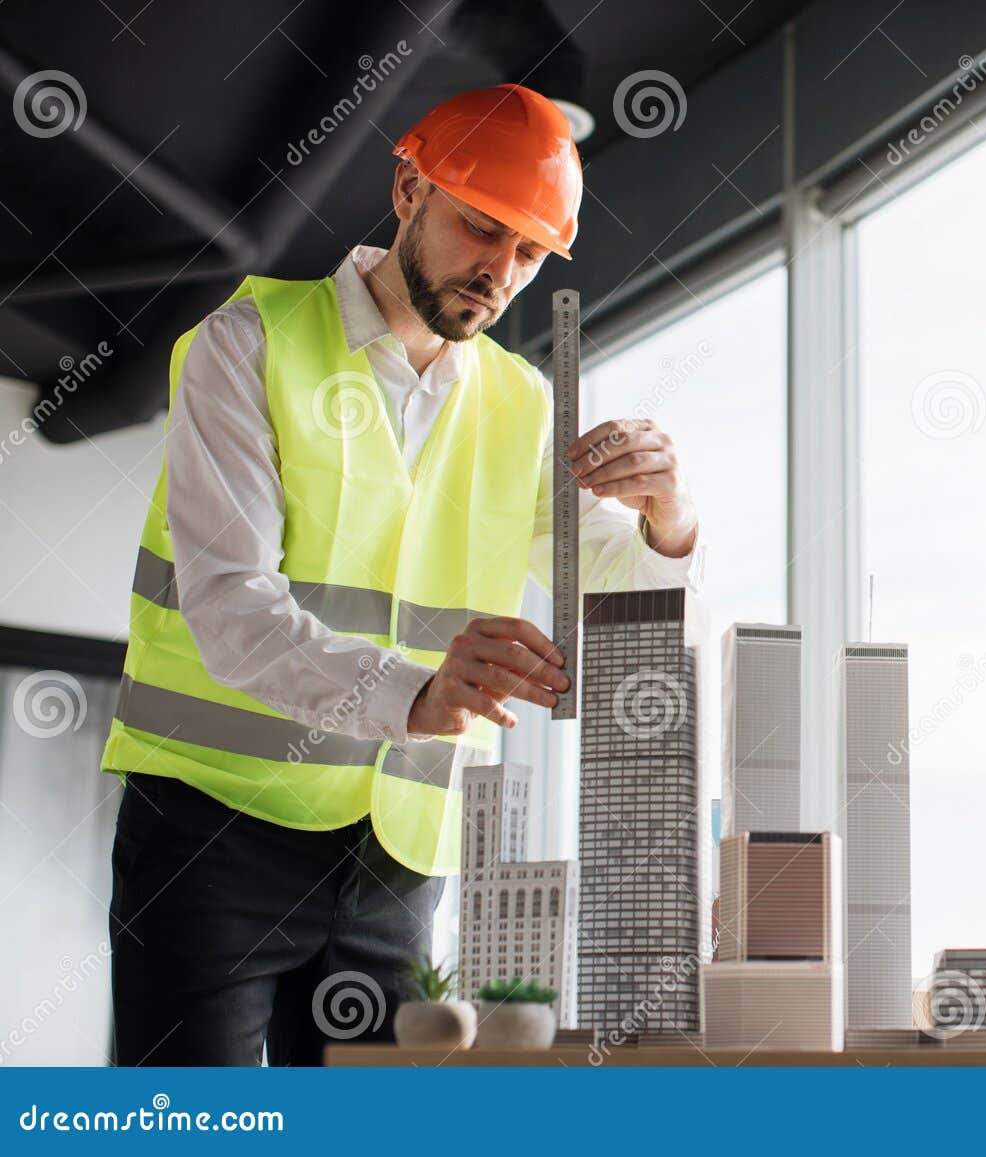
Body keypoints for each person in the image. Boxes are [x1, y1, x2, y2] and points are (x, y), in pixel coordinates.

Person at [100, 84, 704, 1066]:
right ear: (408, 188)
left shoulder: (522, 403)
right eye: (481, 228)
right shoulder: (248, 345)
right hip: (214, 832)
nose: (500, 271)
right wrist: (415, 689)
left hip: (396, 855)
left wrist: (668, 516)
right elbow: (230, 606)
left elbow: (628, 597)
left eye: (529, 252)